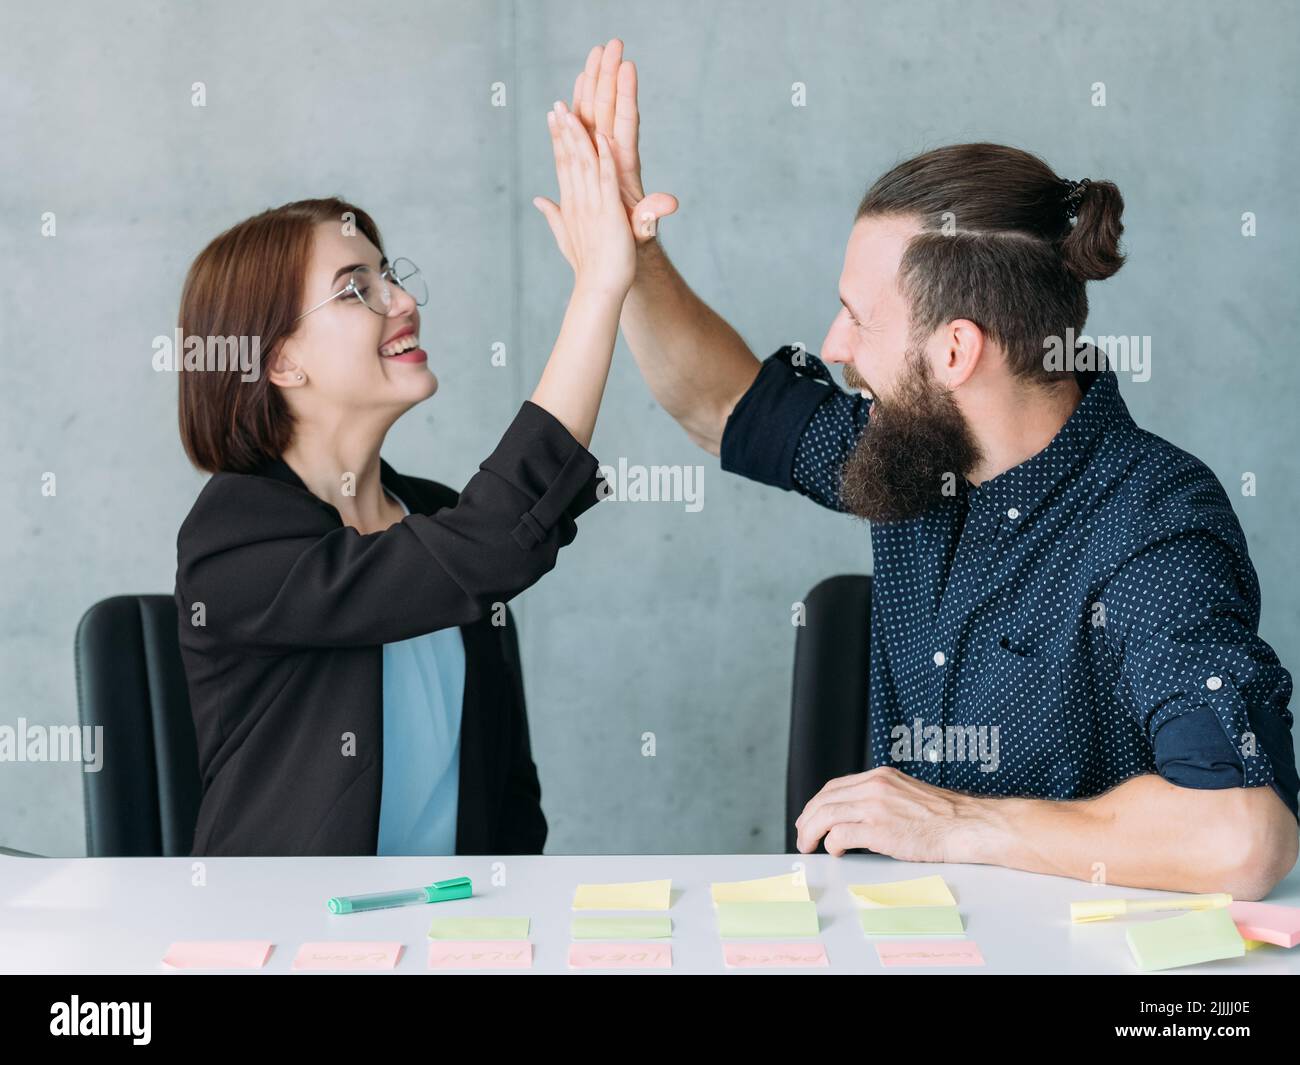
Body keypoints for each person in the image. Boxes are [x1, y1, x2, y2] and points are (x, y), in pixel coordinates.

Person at [560, 38, 1299, 897]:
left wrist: (954, 821)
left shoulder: (1150, 523)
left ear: (955, 351)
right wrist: (633, 262)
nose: (833, 347)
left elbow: (1242, 834)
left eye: (857, 318)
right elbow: (716, 407)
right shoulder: (916, 453)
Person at [174, 109, 634, 855]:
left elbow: (507, 790)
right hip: (284, 942)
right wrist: (599, 289)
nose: (404, 302)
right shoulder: (233, 538)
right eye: (356, 291)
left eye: (390, 276)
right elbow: (491, 541)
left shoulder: (432, 509)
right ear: (280, 362)